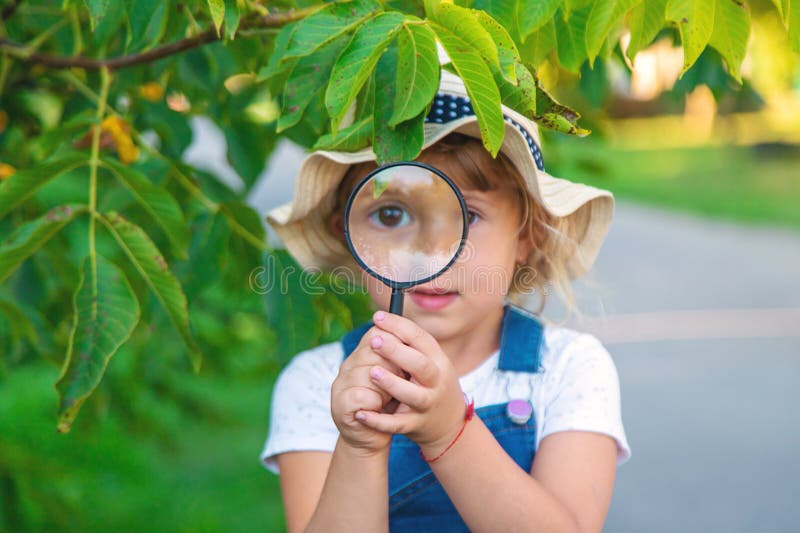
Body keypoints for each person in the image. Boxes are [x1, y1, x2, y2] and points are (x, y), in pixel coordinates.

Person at [260, 69, 631, 532]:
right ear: (349, 236)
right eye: (390, 214)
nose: (431, 250)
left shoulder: (569, 370)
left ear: (526, 235)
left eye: (468, 215)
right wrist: (359, 446)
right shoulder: (318, 385)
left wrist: (449, 430)